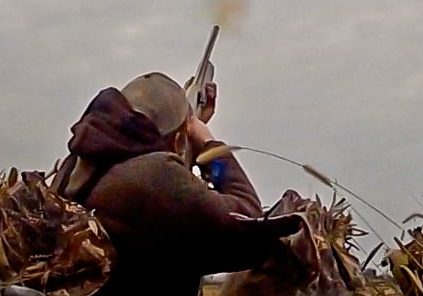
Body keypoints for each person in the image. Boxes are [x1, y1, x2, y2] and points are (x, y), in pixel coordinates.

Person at [49, 72, 303, 296]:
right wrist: (209, 146)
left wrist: (185, 137)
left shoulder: (78, 165)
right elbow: (246, 219)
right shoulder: (153, 177)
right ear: (178, 137)